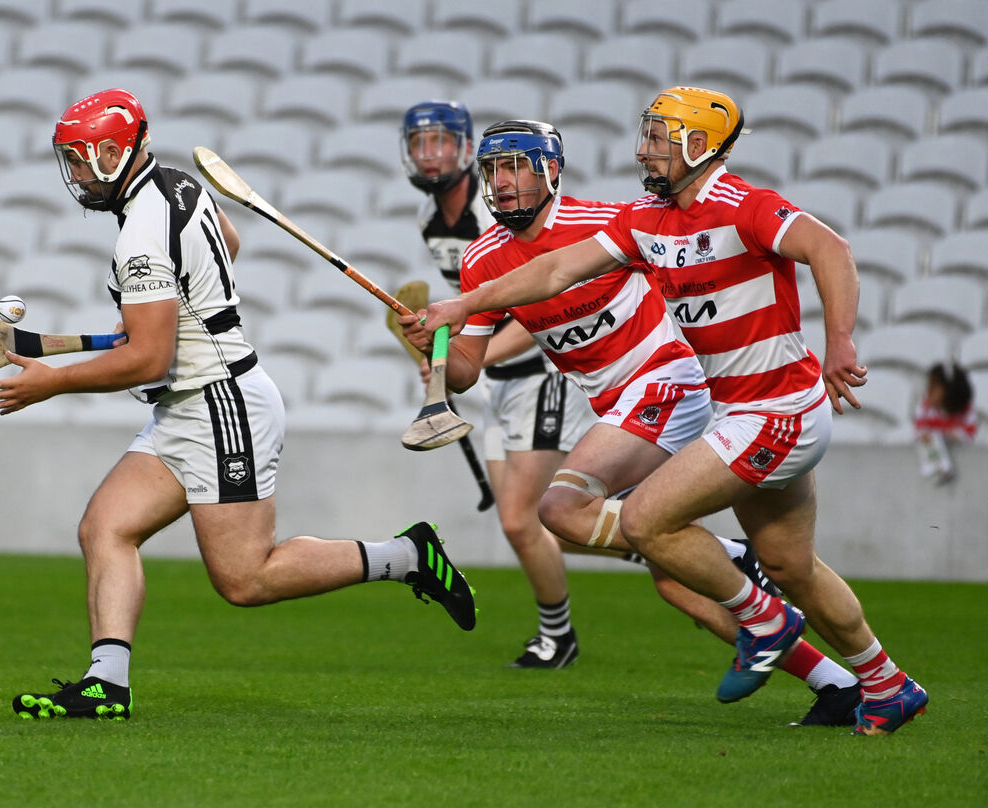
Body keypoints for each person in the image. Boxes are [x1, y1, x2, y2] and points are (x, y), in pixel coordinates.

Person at [417, 87, 929, 736]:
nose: (642, 150)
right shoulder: (646, 221)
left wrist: (841, 340)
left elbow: (831, 249)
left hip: (770, 409)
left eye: (657, 139)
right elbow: (549, 278)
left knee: (633, 517)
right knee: (785, 567)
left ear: (696, 145)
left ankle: (764, 617)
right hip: (734, 411)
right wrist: (453, 319)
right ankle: (883, 685)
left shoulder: (742, 205)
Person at [0, 88, 476, 721]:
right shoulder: (178, 187)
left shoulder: (142, 234)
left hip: (219, 407)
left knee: (245, 579)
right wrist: (187, 307)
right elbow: (228, 245)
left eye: (80, 160)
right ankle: (107, 684)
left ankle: (407, 557)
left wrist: (54, 382)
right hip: (187, 406)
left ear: (113, 152)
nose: (73, 174)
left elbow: (147, 360)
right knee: (105, 527)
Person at [401, 100, 596, 668]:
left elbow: (537, 317)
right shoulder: (431, 222)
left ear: (466, 150)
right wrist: (446, 354)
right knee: (535, 523)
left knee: (519, 515)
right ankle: (666, 545)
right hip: (497, 386)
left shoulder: (499, 219)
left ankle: (558, 637)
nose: (430, 153)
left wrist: (471, 356)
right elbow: (471, 316)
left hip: (541, 374)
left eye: (441, 141)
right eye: (420, 142)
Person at [914, 361, 977, 485]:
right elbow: (919, 429)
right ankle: (937, 468)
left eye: (934, 387)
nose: (929, 391)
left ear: (950, 389)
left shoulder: (965, 410)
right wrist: (924, 435)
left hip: (958, 448)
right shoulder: (925, 406)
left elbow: (970, 435)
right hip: (932, 447)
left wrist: (956, 435)